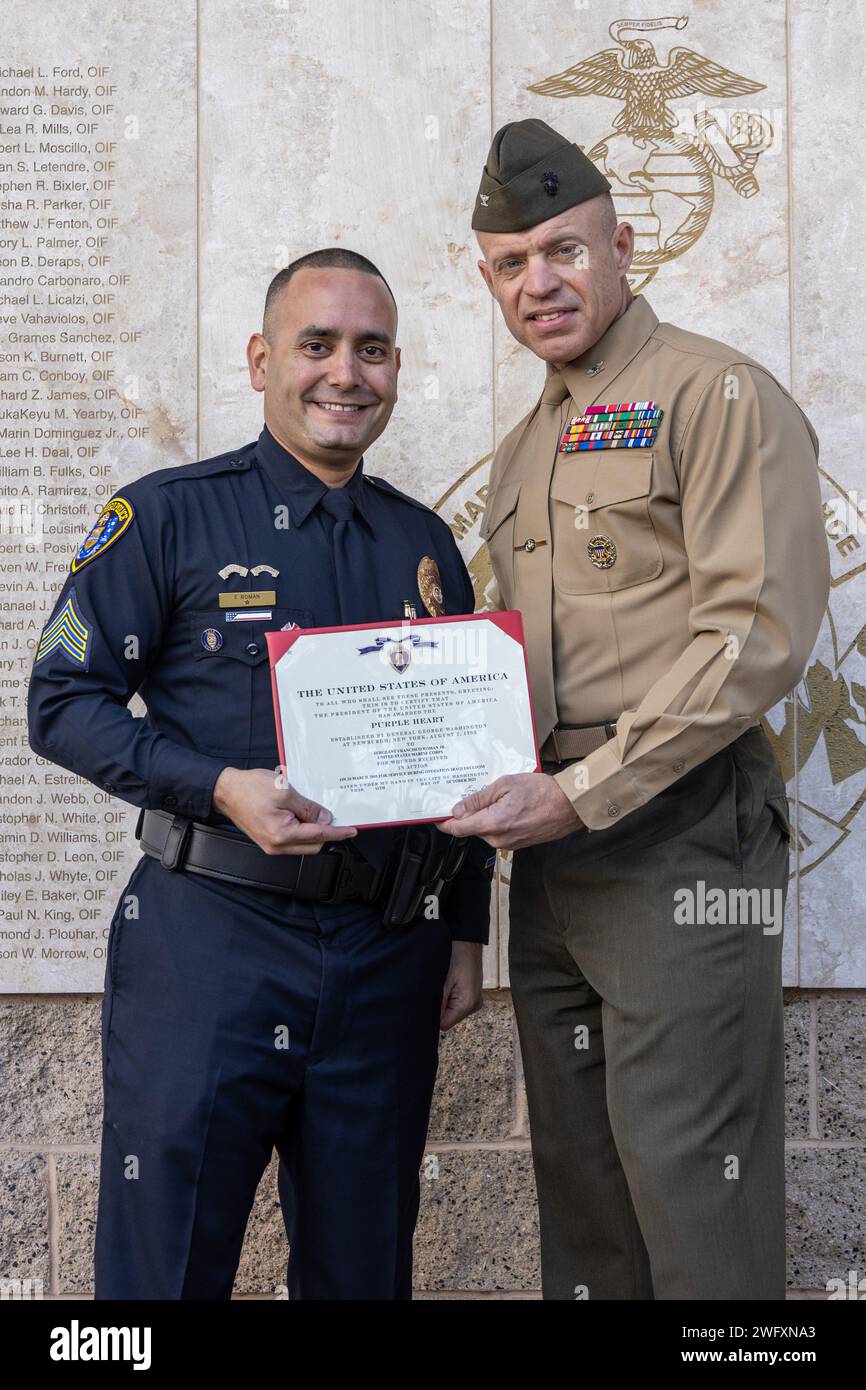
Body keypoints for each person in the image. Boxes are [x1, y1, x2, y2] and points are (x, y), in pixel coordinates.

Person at [27, 247, 493, 1300]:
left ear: (396, 368)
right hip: (210, 948)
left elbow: (460, 747)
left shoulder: (423, 544)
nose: (345, 373)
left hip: (385, 959)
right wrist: (218, 786)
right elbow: (61, 703)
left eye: (371, 350)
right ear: (259, 360)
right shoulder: (165, 518)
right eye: (316, 344)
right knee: (163, 1272)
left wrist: (465, 925)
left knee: (365, 1271)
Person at [440, 118, 831, 1299]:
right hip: (550, 847)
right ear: (488, 283)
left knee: (691, 1186)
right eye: (511, 263)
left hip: (676, 831)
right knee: (584, 1196)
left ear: (620, 248)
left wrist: (580, 793)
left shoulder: (712, 392)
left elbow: (752, 635)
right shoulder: (523, 451)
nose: (538, 282)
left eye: (563, 250)